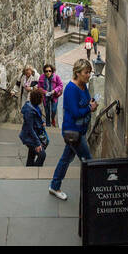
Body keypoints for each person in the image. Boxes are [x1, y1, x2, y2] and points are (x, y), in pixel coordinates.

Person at [48, 59, 97, 200]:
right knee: (88, 161)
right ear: (78, 73)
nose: (89, 75)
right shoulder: (70, 89)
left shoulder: (83, 86)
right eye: (86, 72)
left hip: (79, 130)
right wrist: (89, 108)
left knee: (65, 159)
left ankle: (54, 185)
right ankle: (92, 190)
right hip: (73, 132)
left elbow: (85, 102)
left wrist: (91, 104)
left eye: (90, 72)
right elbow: (75, 112)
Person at [19, 88, 48, 167]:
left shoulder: (35, 106)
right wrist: (38, 143)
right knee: (42, 155)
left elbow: (37, 117)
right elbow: (30, 129)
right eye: (42, 97)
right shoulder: (29, 111)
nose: (43, 99)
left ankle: (28, 172)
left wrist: (42, 122)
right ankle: (35, 172)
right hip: (29, 137)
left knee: (31, 155)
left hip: (32, 135)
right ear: (38, 99)